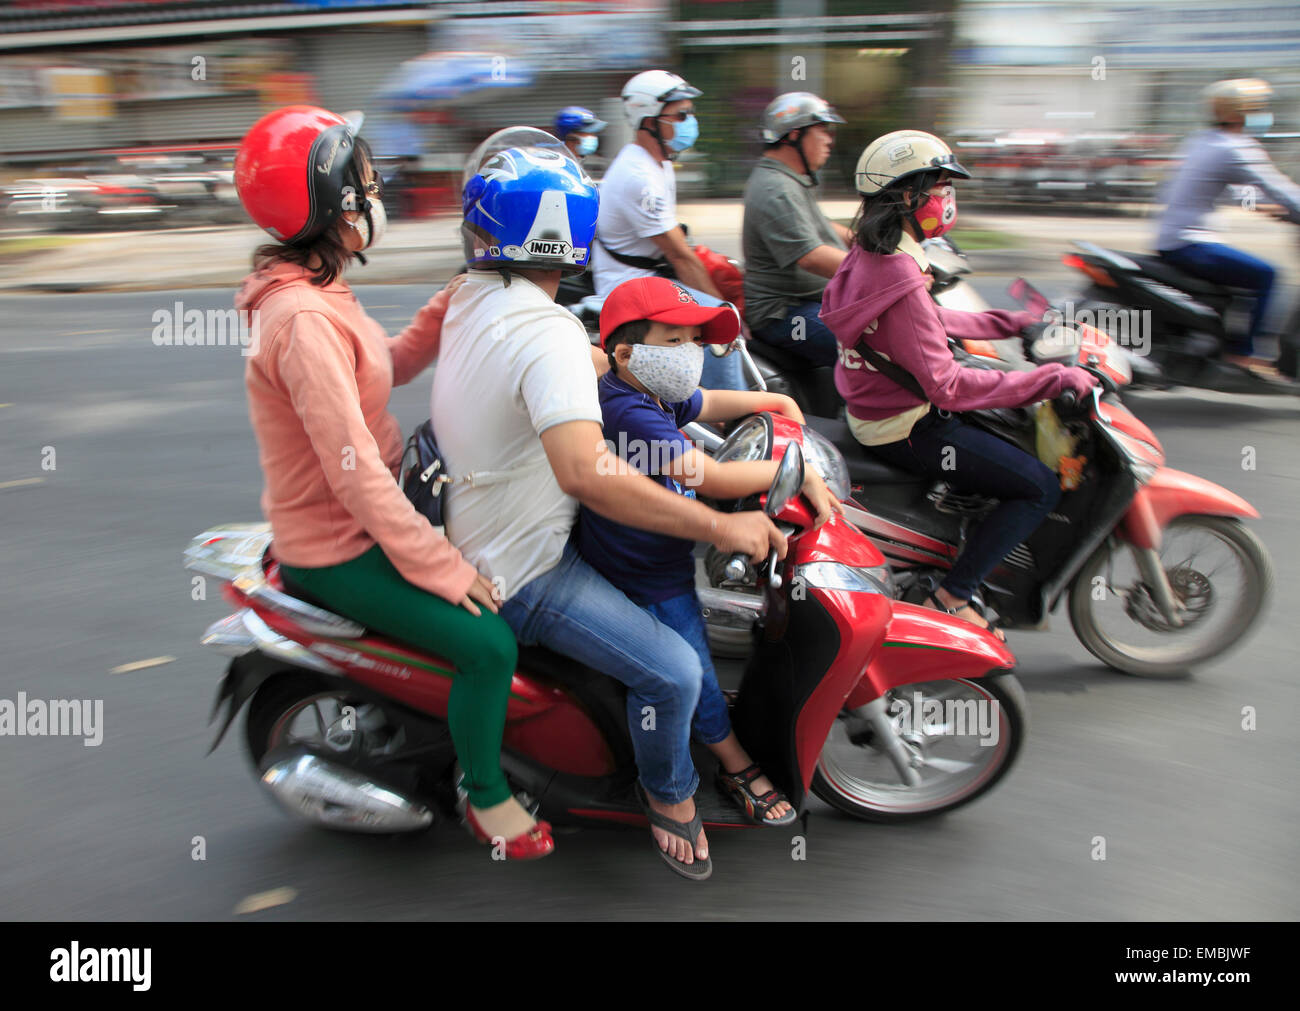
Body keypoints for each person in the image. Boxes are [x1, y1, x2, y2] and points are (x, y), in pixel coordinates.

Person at [433, 133, 785, 879]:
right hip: (525, 568)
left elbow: (583, 365)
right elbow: (588, 473)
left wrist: (601, 354)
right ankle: (669, 793)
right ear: (574, 236)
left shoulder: (473, 297)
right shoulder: (549, 332)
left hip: (478, 523)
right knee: (675, 673)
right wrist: (723, 525)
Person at [232, 106, 553, 861]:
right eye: (366, 187)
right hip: (339, 542)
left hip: (383, 505)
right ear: (330, 205)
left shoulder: (322, 290)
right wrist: (442, 567)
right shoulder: (301, 320)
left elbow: (395, 362)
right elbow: (351, 476)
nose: (377, 198)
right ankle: (485, 796)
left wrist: (463, 292)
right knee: (487, 645)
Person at [577, 276, 840, 825]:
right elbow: (708, 476)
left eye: (696, 341)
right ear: (626, 352)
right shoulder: (626, 411)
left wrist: (778, 400)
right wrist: (794, 471)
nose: (690, 355)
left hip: (663, 554)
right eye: (675, 341)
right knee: (691, 671)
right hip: (647, 575)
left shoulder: (650, 389)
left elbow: (709, 401)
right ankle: (733, 762)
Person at [821, 130, 1097, 637]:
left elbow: (932, 323)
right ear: (906, 196)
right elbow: (947, 386)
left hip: (875, 408)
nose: (948, 198)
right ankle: (951, 595)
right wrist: (1052, 377)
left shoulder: (877, 255)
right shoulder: (898, 272)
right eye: (940, 186)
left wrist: (1012, 323)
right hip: (905, 425)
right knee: (1038, 485)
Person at [593, 69, 746, 390]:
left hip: (651, 277)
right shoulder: (641, 177)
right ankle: (736, 418)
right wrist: (726, 313)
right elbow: (682, 258)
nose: (690, 122)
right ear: (649, 119)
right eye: (681, 115)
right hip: (630, 287)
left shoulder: (657, 162)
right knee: (721, 330)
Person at [1155, 78, 1300, 375]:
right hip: (1191, 243)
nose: (1262, 113)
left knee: (1243, 282)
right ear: (1238, 113)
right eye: (1257, 108)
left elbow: (1230, 189)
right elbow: (1280, 188)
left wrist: (1266, 208)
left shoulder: (1202, 140)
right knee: (1267, 274)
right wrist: (1288, 206)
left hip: (1172, 239)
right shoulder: (1238, 147)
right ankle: (1243, 355)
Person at [742, 92, 851, 366]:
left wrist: (867, 240)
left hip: (808, 303)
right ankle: (862, 409)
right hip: (786, 314)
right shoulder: (775, 188)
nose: (829, 140)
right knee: (871, 347)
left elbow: (820, 226)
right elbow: (811, 257)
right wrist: (884, 270)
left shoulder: (788, 180)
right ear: (793, 135)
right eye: (822, 130)